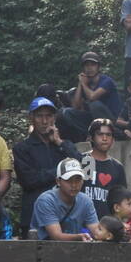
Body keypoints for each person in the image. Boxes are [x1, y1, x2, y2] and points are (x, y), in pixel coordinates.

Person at [31, 158, 102, 262]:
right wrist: (80, 237)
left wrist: (112, 233)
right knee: (68, 256)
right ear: (58, 181)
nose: (74, 185)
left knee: (113, 251)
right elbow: (56, 236)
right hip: (45, 251)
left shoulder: (85, 201)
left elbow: (97, 232)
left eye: (78, 180)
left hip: (75, 249)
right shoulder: (46, 200)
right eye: (69, 180)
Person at [12, 95, 80, 233]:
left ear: (54, 118)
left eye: (48, 116)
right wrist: (62, 172)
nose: (44, 121)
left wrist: (59, 142)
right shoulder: (22, 148)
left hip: (63, 216)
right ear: (31, 118)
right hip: (34, 216)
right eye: (39, 116)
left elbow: (79, 164)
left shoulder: (62, 145)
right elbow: (29, 180)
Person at [59, 52, 122, 142]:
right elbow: (75, 106)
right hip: (94, 119)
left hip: (112, 119)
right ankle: (92, 134)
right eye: (87, 65)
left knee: (94, 105)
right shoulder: (85, 83)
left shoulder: (107, 81)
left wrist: (83, 84)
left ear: (98, 67)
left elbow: (92, 97)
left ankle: (114, 132)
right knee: (67, 112)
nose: (89, 68)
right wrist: (80, 83)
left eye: (93, 65)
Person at [84, 117, 127, 218]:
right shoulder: (84, 161)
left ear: (113, 139)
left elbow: (121, 198)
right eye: (100, 134)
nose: (104, 138)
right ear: (91, 137)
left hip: (107, 223)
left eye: (108, 135)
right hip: (82, 221)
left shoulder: (117, 167)